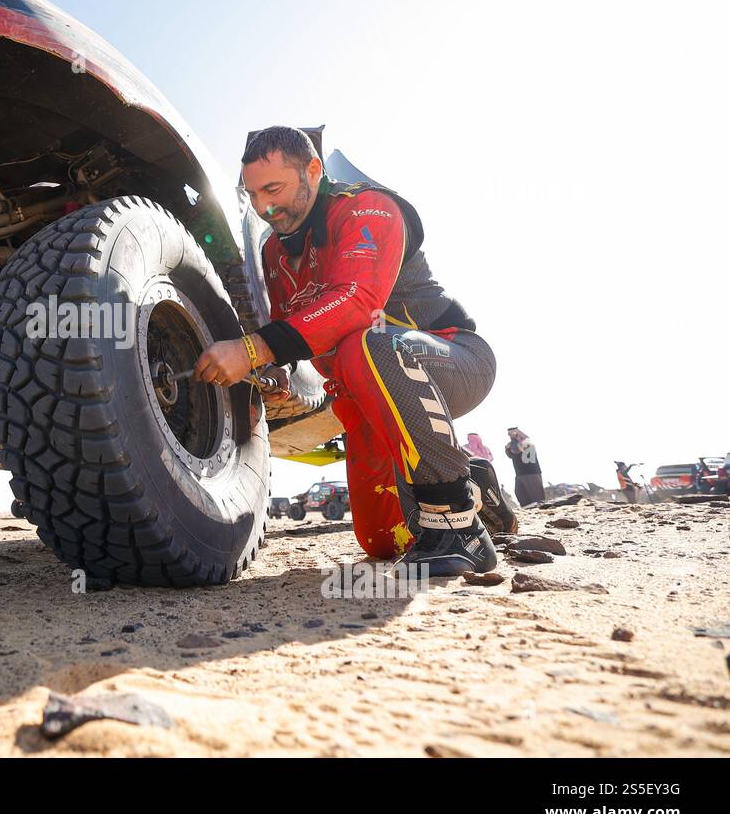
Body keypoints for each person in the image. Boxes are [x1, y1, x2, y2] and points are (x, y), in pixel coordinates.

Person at [193, 126, 514, 575]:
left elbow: (359, 303)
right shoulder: (274, 251)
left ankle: (458, 526)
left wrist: (253, 349)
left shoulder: (369, 207)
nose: (265, 205)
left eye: (274, 188)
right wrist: (279, 370)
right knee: (384, 542)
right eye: (253, 194)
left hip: (453, 358)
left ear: (313, 170)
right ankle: (476, 484)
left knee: (368, 344)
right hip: (361, 390)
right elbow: (295, 327)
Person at [504, 428, 545, 505]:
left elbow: (521, 451)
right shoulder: (512, 445)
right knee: (520, 493)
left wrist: (515, 445)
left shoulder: (527, 443)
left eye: (511, 433)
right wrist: (507, 449)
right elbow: (511, 455)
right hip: (520, 473)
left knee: (536, 496)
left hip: (531, 473)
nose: (509, 435)